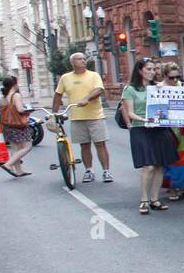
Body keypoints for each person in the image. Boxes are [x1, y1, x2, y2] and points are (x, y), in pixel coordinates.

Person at [121, 58, 177, 214]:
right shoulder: (130, 89)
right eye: (149, 69)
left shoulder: (157, 87)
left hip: (158, 128)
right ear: (140, 70)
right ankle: (144, 199)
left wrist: (164, 90)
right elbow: (130, 112)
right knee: (149, 165)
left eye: (154, 69)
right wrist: (144, 119)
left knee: (159, 164)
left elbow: (170, 105)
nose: (152, 72)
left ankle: (155, 199)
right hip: (141, 128)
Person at [52, 52, 111, 184]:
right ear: (72, 62)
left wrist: (87, 99)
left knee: (100, 144)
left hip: (95, 116)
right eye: (79, 59)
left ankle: (106, 171)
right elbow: (57, 95)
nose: (83, 61)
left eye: (84, 59)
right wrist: (54, 114)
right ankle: (89, 170)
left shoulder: (93, 75)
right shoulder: (65, 78)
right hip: (77, 117)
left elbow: (99, 90)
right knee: (84, 145)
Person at [158, 63, 184, 201]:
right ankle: (173, 187)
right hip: (170, 129)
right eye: (171, 77)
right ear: (165, 76)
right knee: (173, 158)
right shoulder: (159, 88)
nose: (175, 80)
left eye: (177, 77)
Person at [0, 75, 33, 177]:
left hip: (7, 125)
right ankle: (8, 164)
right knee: (27, 146)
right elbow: (20, 110)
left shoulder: (3, 97)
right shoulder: (15, 95)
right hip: (18, 125)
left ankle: (19, 171)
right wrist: (29, 109)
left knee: (15, 148)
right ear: (14, 84)